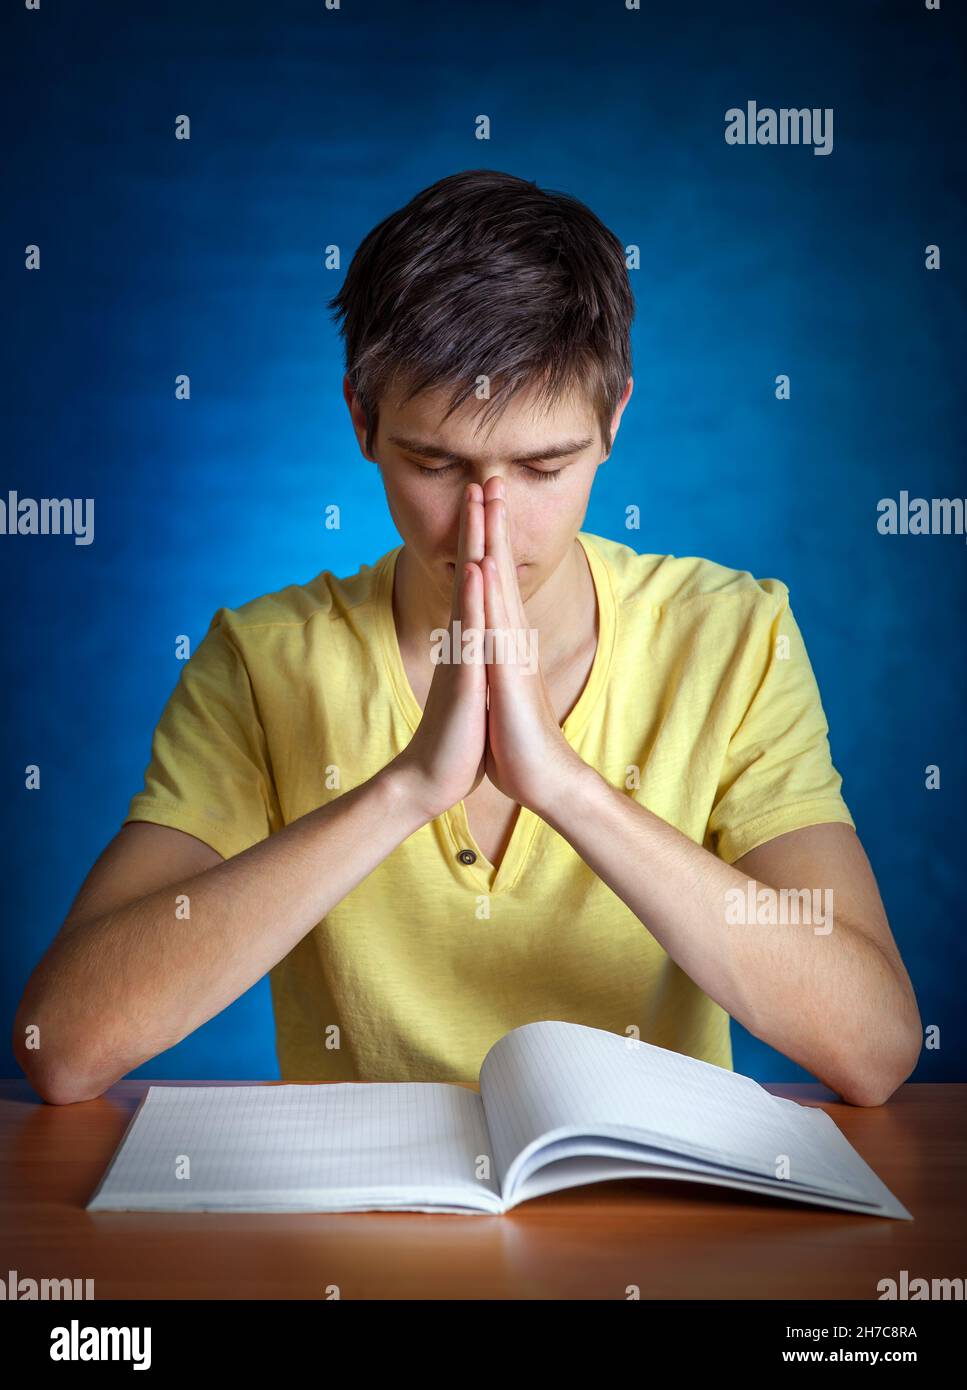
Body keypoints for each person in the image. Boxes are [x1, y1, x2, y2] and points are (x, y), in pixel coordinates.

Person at [14, 169, 921, 1107]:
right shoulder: (261, 659)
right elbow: (65, 1045)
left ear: (613, 422)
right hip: (366, 1240)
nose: (488, 523)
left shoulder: (732, 637)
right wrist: (406, 789)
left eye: (542, 465)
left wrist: (566, 787)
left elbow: (875, 1047)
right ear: (361, 422)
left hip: (653, 1230)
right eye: (435, 463)